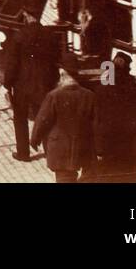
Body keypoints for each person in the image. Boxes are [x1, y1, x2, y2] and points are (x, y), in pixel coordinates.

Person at [2, 1, 58, 161]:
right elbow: (55, 60)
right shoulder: (49, 35)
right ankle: (50, 152)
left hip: (22, 85)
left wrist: (8, 83)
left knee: (20, 118)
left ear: (26, 15)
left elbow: (12, 63)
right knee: (45, 118)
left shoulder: (19, 36)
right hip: (43, 84)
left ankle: (23, 153)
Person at [30, 52, 97, 182]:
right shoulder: (89, 95)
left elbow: (42, 120)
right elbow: (96, 123)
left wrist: (35, 139)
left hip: (59, 149)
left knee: (64, 179)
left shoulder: (54, 96)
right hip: (81, 147)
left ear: (62, 73)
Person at [90, 52, 136, 182]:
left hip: (108, 145)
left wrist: (98, 148)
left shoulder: (101, 91)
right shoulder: (134, 91)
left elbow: (97, 121)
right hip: (128, 146)